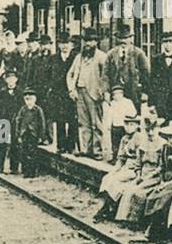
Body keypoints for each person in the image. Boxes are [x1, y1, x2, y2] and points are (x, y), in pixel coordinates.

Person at [67, 29, 109, 159]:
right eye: (85, 41)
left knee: (96, 123)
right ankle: (86, 149)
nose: (88, 44)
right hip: (79, 92)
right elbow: (70, 74)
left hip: (93, 93)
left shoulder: (102, 57)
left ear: (96, 42)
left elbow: (106, 76)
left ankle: (97, 150)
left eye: (91, 41)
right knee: (83, 122)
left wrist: (102, 90)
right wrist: (71, 89)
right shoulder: (79, 57)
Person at [97, 114, 142, 217]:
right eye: (126, 124)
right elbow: (121, 159)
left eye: (132, 124)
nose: (128, 127)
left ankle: (108, 208)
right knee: (107, 178)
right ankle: (107, 206)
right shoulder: (124, 138)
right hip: (125, 167)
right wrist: (113, 171)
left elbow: (139, 160)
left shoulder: (138, 137)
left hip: (134, 169)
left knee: (115, 181)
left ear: (137, 126)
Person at [44, 36, 78, 153]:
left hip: (70, 92)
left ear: (71, 45)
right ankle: (61, 145)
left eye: (67, 43)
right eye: (62, 43)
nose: (65, 46)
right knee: (59, 120)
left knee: (72, 119)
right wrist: (51, 88)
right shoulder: (53, 59)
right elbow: (47, 75)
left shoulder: (75, 58)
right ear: (58, 45)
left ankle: (71, 146)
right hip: (57, 93)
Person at [104, 22, 150, 109]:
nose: (123, 41)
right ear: (117, 39)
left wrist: (145, 92)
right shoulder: (111, 54)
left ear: (131, 38)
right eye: (120, 38)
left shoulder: (138, 53)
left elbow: (146, 74)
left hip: (134, 93)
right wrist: (106, 91)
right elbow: (105, 75)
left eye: (126, 38)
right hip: (116, 94)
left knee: (134, 118)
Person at [148, 31, 172, 123]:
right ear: (162, 44)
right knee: (161, 127)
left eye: (171, 42)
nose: (168, 45)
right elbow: (152, 82)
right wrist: (152, 103)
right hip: (161, 102)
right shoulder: (156, 60)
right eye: (166, 42)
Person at [0, 70, 25, 174]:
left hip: (16, 121)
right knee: (1, 143)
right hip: (4, 120)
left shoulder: (20, 92)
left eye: (13, 79)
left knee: (15, 144)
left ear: (16, 80)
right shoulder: (2, 92)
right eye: (8, 79)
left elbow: (21, 109)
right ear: (5, 80)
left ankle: (14, 168)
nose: (10, 81)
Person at [14, 88, 49, 178]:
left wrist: (42, 136)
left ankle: (32, 172)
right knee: (24, 152)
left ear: (35, 99)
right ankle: (25, 171)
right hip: (24, 133)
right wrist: (18, 134)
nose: (29, 101)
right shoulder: (23, 109)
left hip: (34, 134)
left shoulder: (38, 110)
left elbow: (42, 123)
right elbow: (18, 121)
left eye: (31, 99)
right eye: (26, 99)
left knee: (33, 153)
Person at [103, 85, 138, 163]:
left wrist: (127, 116)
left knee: (124, 142)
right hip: (115, 126)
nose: (116, 96)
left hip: (124, 126)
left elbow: (133, 112)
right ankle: (115, 157)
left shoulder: (128, 102)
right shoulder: (113, 104)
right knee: (115, 143)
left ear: (122, 94)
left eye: (118, 94)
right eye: (114, 95)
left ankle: (124, 157)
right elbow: (110, 115)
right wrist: (109, 124)